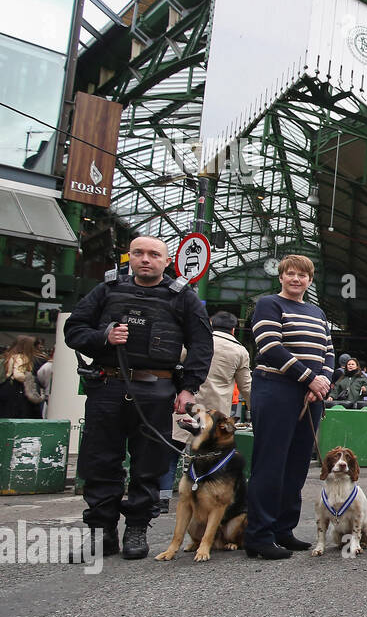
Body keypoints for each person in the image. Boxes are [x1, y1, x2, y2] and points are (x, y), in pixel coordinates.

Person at [63, 236, 212, 558]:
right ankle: (101, 533)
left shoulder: (182, 298)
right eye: (139, 253)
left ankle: (135, 530)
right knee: (100, 461)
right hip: (108, 386)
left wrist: (188, 388)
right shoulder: (106, 290)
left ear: (166, 260)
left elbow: (202, 345)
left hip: (156, 390)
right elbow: (74, 331)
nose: (146, 259)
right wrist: (103, 336)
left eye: (154, 254)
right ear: (129, 257)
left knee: (149, 463)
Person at [244, 255, 335, 560]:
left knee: (296, 465)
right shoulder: (269, 304)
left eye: (303, 275)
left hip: (309, 395)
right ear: (281, 277)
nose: (297, 279)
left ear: (311, 280)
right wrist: (311, 379)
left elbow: (329, 351)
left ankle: (284, 529)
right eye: (291, 274)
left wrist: (322, 381)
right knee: (270, 463)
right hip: (276, 388)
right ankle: (259, 534)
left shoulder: (318, 312)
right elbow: (270, 347)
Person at [158, 310, 252, 514]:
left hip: (186, 404)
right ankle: (205, 496)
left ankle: (162, 498)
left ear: (210, 323)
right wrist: (256, 410)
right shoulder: (239, 351)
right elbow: (246, 386)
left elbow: (175, 361)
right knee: (212, 457)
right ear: (234, 330)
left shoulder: (196, 342)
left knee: (171, 451)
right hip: (214, 414)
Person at [0, 336, 49, 418]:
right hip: (17, 394)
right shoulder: (22, 357)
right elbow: (18, 375)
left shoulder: (6, 357)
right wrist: (29, 378)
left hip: (4, 390)